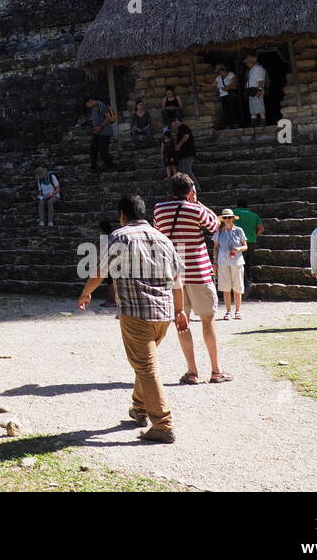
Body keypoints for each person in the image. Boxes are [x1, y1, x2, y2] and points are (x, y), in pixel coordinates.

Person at [78, 193, 185, 444]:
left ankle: (162, 423)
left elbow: (100, 270)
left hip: (136, 312)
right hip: (163, 313)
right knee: (144, 362)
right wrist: (179, 311)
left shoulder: (119, 236)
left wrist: (86, 292)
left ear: (122, 215)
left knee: (146, 366)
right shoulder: (163, 239)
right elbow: (178, 278)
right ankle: (139, 408)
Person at [154, 174, 231, 384]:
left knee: (182, 322)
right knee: (208, 319)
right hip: (198, 270)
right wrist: (197, 202)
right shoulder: (195, 209)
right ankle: (216, 371)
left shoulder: (159, 209)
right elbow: (217, 225)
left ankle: (192, 371)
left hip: (174, 274)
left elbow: (159, 232)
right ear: (191, 190)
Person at [214, 209, 247, 319]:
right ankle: (228, 311)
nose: (227, 219)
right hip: (223, 262)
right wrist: (214, 262)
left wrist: (238, 249)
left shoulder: (239, 230)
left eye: (229, 217)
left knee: (238, 288)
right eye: (225, 218)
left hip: (237, 262)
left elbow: (245, 246)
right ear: (222, 219)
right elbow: (215, 248)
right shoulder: (219, 231)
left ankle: (237, 311)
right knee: (226, 288)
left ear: (233, 218)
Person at [230, 198, 262, 293]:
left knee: (238, 263)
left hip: (237, 242)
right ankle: (248, 282)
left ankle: (241, 284)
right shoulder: (253, 215)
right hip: (251, 241)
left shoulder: (233, 213)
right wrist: (254, 236)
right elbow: (261, 229)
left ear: (237, 205)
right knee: (247, 262)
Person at [84, 95, 117, 172]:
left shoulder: (100, 105)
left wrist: (101, 126)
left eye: (87, 104)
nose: (88, 106)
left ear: (90, 101)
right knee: (93, 148)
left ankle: (110, 166)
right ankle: (94, 167)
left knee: (103, 150)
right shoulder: (93, 108)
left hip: (105, 132)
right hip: (97, 132)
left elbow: (108, 117)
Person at [165, 116, 198, 190]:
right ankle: (190, 189)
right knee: (185, 172)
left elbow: (186, 136)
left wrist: (179, 145)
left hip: (187, 154)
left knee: (187, 171)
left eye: (172, 127)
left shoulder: (183, 127)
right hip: (184, 155)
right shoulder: (181, 129)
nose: (173, 129)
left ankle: (196, 188)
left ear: (173, 123)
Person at [244, 53, 268, 127]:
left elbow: (261, 81)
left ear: (251, 62)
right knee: (252, 108)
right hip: (251, 91)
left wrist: (260, 90)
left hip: (257, 90)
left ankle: (263, 123)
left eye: (247, 62)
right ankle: (253, 123)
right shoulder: (252, 70)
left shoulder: (258, 69)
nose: (246, 64)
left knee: (259, 107)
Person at [214, 64, 240, 129]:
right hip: (223, 96)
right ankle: (229, 124)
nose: (219, 72)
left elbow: (234, 83)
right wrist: (202, 84)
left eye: (219, 71)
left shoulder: (231, 74)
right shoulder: (218, 77)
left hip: (230, 95)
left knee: (233, 109)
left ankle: (235, 123)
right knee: (226, 111)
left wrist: (227, 88)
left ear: (223, 70)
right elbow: (213, 84)